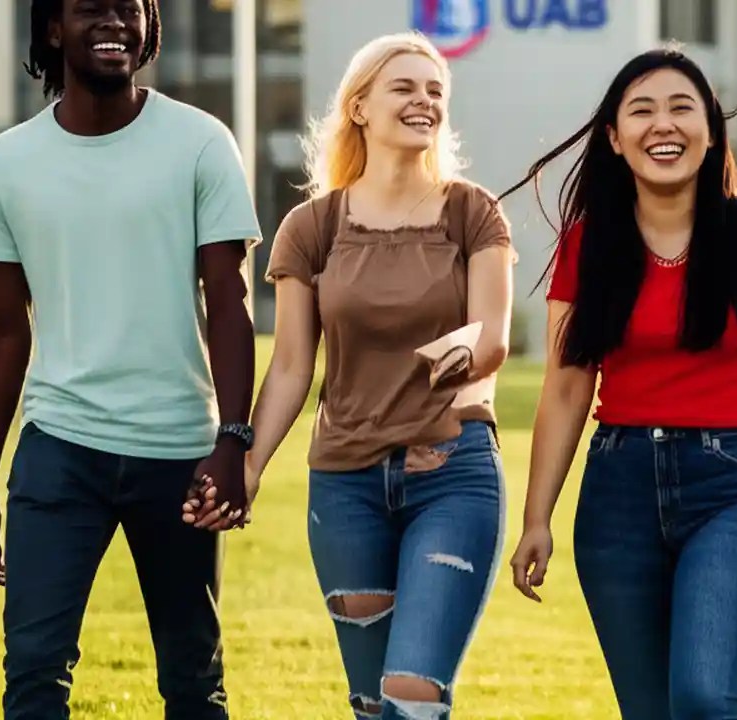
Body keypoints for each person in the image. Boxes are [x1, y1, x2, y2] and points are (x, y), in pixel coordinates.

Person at [501, 47, 737, 718]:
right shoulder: (589, 245)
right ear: (616, 140)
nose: (663, 126)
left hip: (736, 485)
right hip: (617, 493)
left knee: (706, 698)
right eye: (641, 111)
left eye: (682, 108)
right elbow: (566, 387)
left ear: (711, 130)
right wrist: (538, 516)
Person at [196, 31, 514, 720]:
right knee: (373, 704)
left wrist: (421, 368)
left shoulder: (474, 213)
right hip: (345, 485)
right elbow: (289, 366)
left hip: (452, 474)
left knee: (413, 692)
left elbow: (492, 340)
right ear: (360, 107)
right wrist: (247, 468)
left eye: (435, 91)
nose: (424, 100)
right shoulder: (311, 228)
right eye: (404, 87)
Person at [0, 0, 261, 717]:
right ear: (54, 29)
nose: (115, 24)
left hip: (179, 453)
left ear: (150, 26)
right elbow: (5, 329)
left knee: (193, 680)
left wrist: (234, 443)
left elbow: (229, 300)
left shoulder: (199, 143)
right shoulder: (6, 163)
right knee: (33, 672)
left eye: (129, 10)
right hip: (59, 449)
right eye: (91, 9)